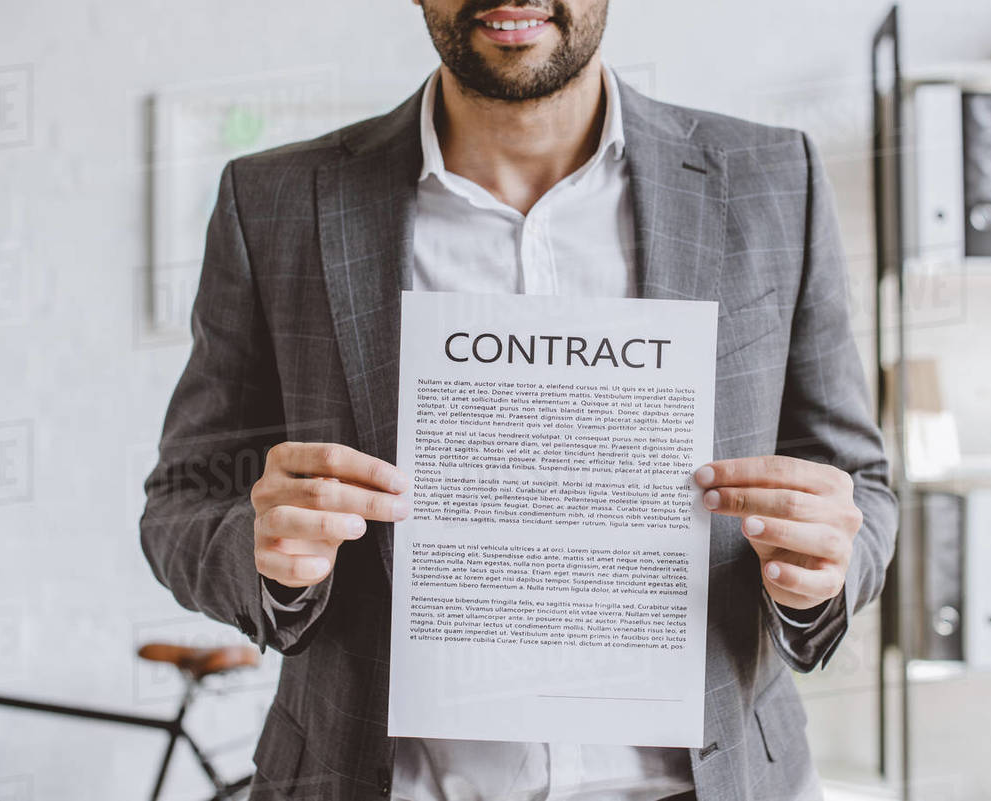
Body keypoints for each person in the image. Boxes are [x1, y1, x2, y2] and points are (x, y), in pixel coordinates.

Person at [140, 1, 898, 799]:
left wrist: (825, 567)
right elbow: (183, 498)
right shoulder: (275, 200)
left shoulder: (774, 179)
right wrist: (265, 554)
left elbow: (861, 484)